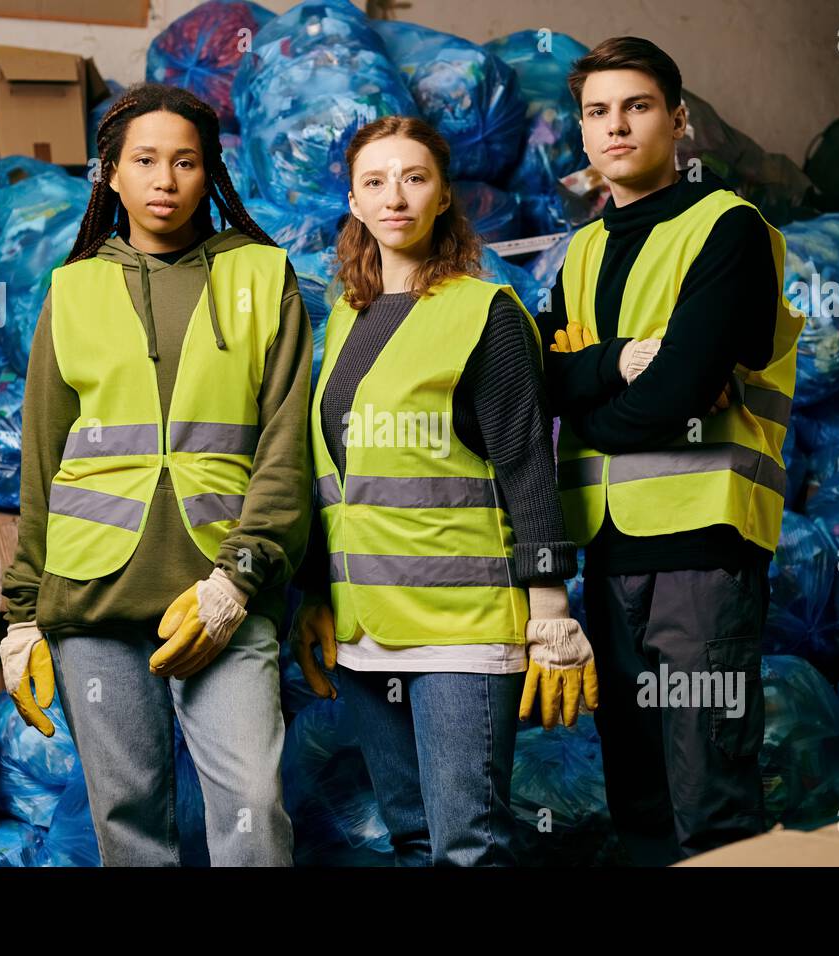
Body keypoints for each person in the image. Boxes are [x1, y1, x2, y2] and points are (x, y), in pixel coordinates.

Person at [0, 83, 313, 867]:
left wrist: (238, 580)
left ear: (211, 174)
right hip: (94, 595)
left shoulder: (262, 276)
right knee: (128, 816)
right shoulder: (72, 289)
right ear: (110, 174)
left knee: (251, 802)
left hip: (222, 595)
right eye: (144, 161)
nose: (165, 180)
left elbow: (286, 448)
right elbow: (43, 457)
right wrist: (23, 615)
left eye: (186, 161)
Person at [290, 115, 597, 867]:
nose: (395, 196)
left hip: (462, 628)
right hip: (365, 629)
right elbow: (336, 477)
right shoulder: (345, 316)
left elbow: (526, 460)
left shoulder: (483, 312)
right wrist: (315, 596)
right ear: (354, 204)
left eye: (415, 178)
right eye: (375, 181)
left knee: (468, 843)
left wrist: (550, 609)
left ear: (442, 198)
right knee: (413, 837)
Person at [540, 37, 803, 864]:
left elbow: (677, 393)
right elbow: (538, 382)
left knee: (709, 798)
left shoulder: (728, 229)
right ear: (581, 135)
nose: (617, 127)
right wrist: (605, 375)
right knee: (640, 801)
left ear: (678, 120)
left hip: (702, 551)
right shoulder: (579, 251)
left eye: (638, 106)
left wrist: (589, 400)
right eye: (597, 113)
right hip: (608, 552)